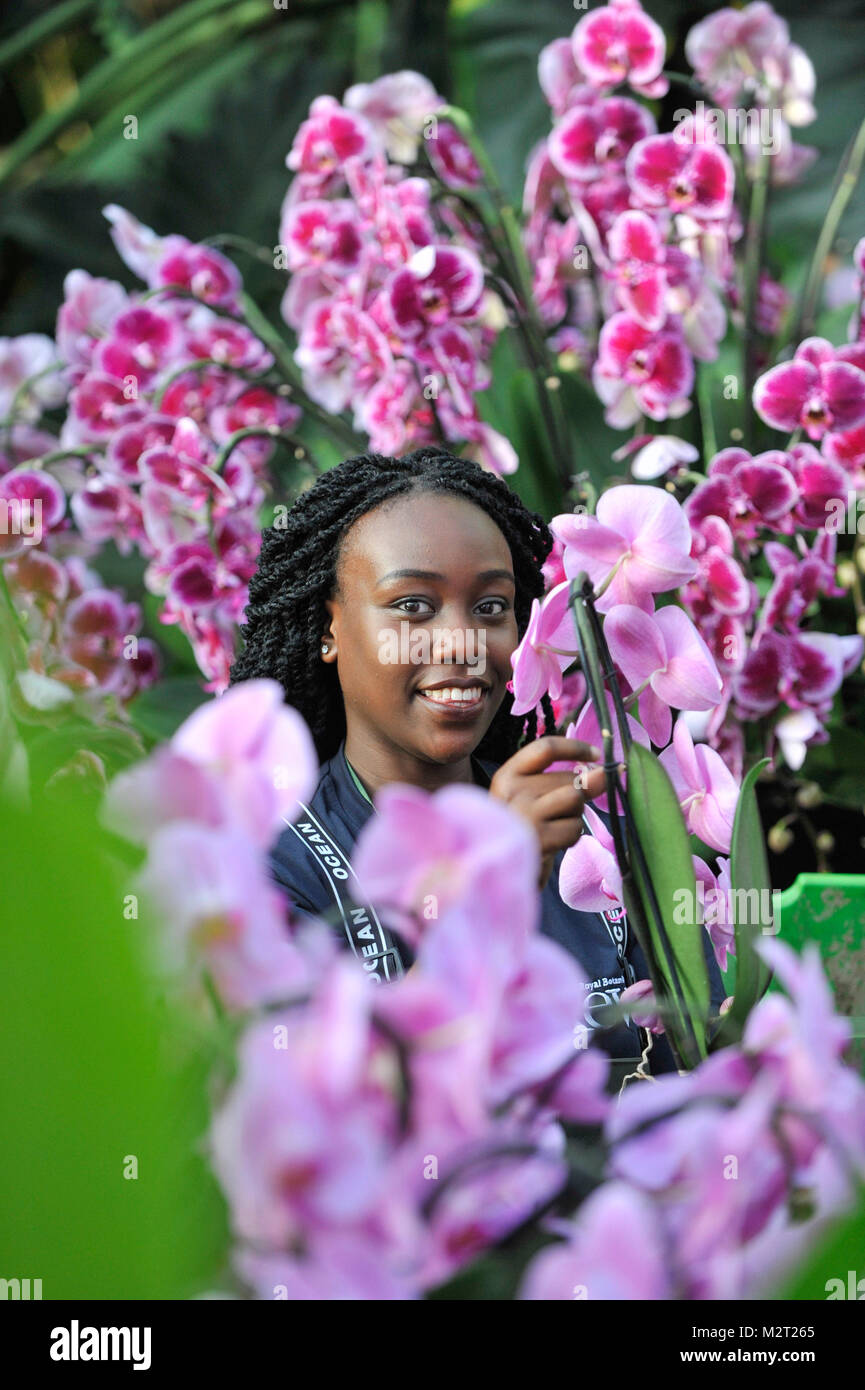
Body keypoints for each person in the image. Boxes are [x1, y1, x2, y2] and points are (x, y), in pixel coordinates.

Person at [229, 445, 725, 1079]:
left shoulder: (599, 838)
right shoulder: (272, 868)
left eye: (491, 607)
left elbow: (710, 1075)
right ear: (328, 628)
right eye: (413, 606)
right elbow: (325, 1109)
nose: (462, 643)